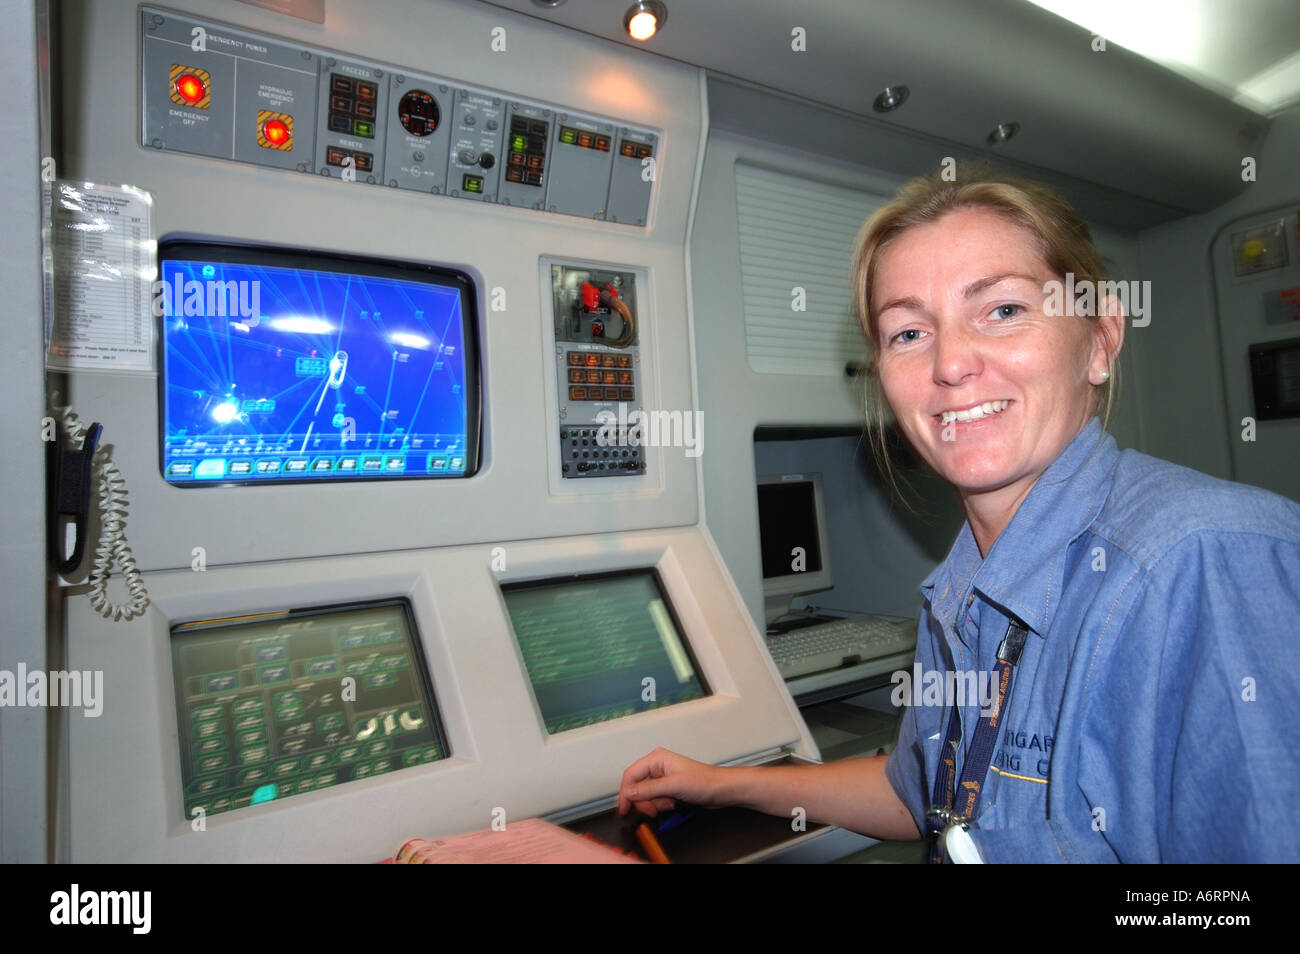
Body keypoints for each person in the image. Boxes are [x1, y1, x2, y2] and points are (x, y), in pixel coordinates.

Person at [617, 169, 1300, 862]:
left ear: (1099, 339)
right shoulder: (961, 593)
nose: (950, 364)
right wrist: (728, 786)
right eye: (909, 332)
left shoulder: (1209, 563)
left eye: (1003, 310)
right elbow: (920, 795)